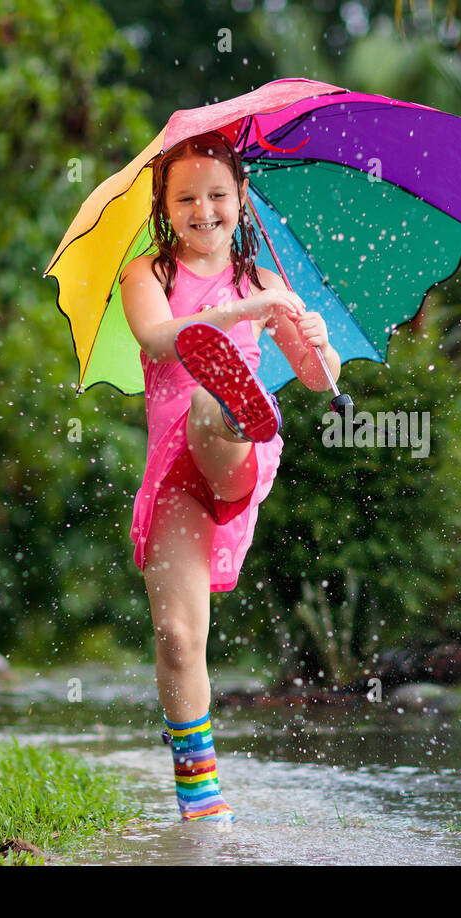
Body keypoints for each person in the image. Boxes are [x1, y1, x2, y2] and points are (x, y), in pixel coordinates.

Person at [119, 132, 341, 822]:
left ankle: (234, 409)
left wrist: (319, 343)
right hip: (173, 475)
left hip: (235, 457)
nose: (203, 210)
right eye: (186, 197)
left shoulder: (266, 280)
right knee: (179, 637)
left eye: (218, 195)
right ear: (165, 204)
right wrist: (238, 315)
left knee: (211, 405)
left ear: (241, 200)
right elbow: (160, 339)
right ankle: (201, 798)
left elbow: (315, 378)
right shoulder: (147, 275)